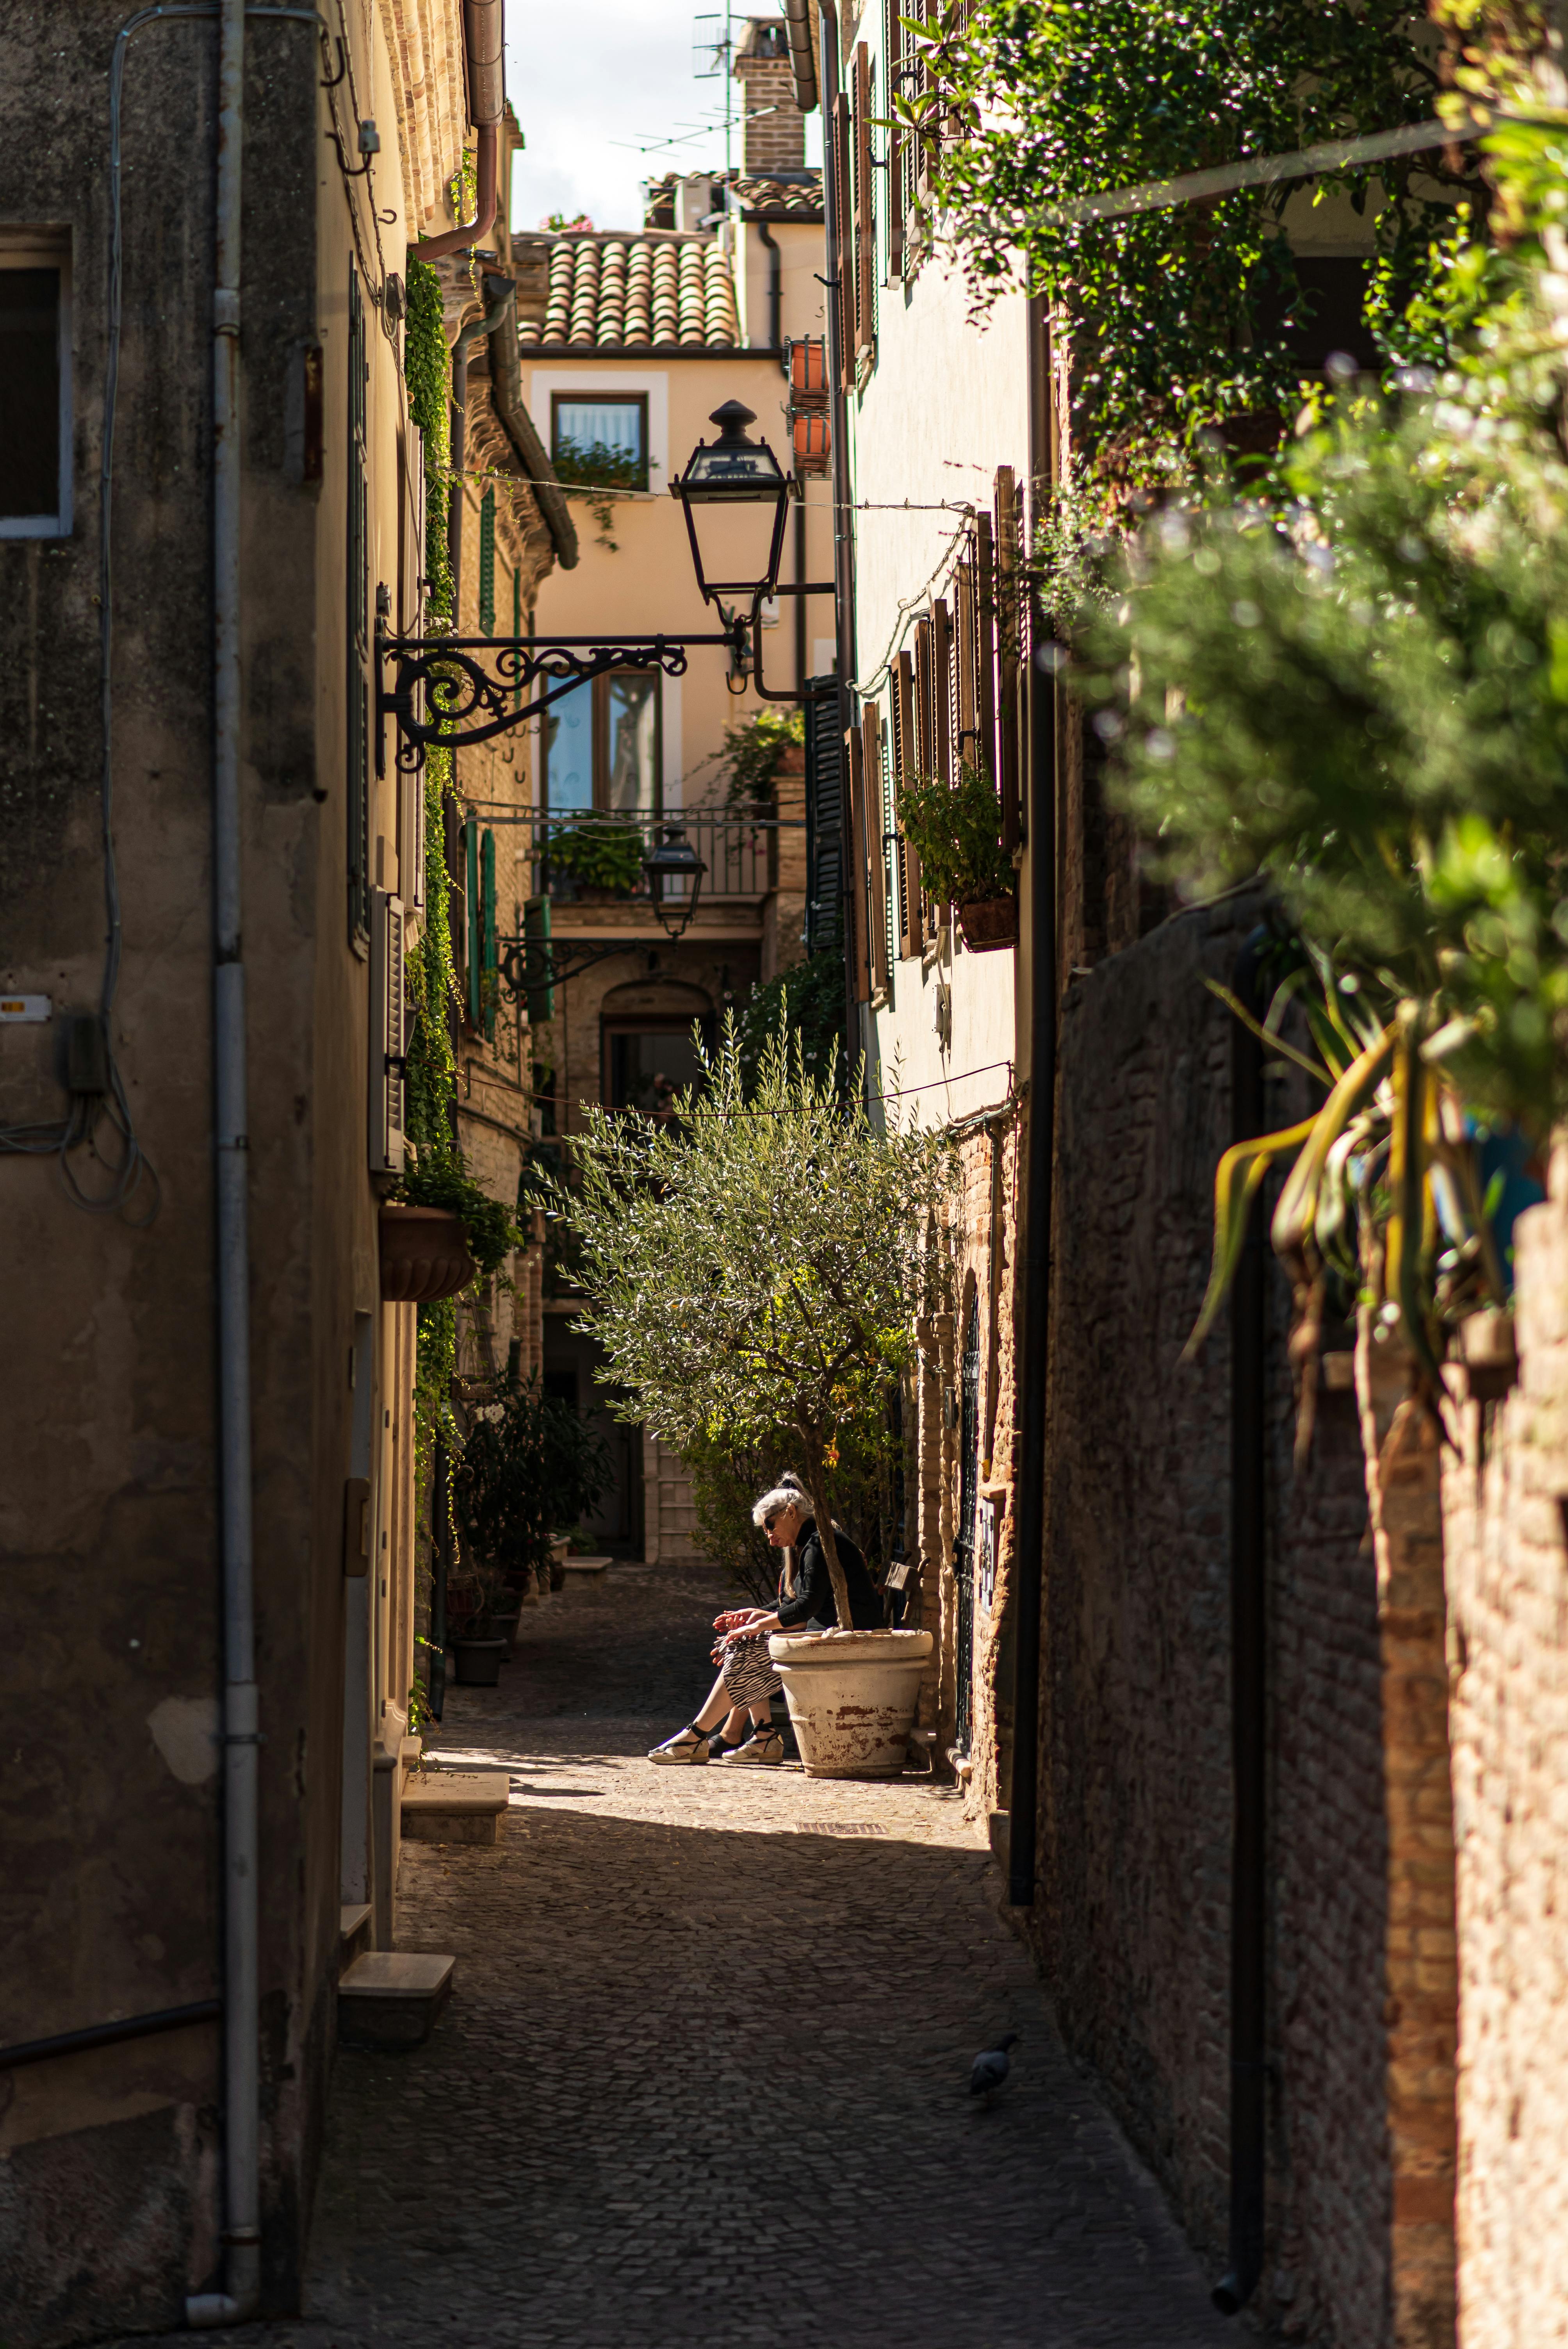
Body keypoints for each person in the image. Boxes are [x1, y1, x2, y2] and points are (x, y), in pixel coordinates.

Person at [648, 1473, 883, 1767]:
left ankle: (698, 1737)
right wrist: (755, 1616)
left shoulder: (818, 1543)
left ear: (791, 1513)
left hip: (845, 1637)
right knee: (745, 1644)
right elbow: (798, 1602)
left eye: (770, 1525)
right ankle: (762, 1736)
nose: (769, 1535)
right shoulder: (814, 1541)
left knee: (748, 1647)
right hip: (832, 1632)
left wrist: (758, 1625)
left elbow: (807, 1606)